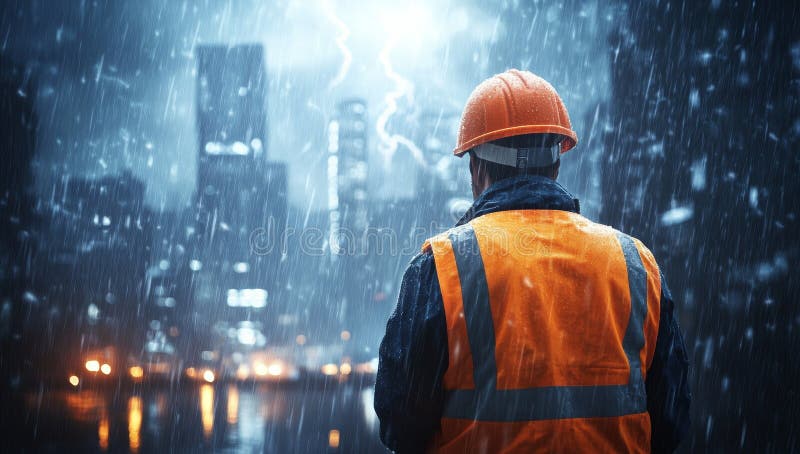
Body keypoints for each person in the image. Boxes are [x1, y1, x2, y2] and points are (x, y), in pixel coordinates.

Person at [374, 69, 691, 453]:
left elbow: (400, 424)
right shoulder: (635, 265)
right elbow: (671, 422)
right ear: (556, 165)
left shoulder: (444, 268)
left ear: (476, 169)